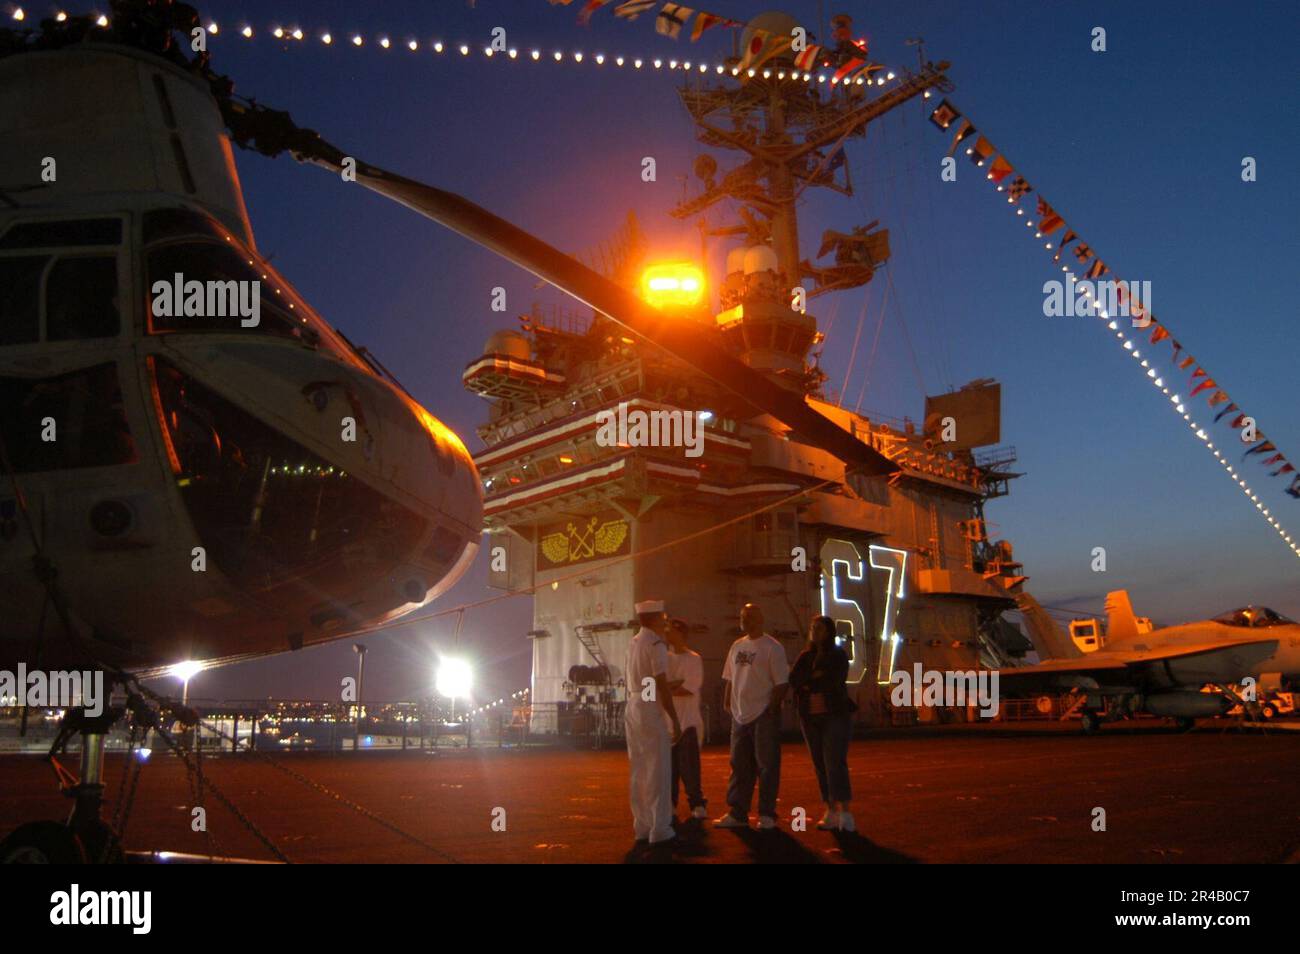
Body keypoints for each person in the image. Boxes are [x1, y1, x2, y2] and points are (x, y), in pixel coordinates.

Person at [715, 603, 789, 830]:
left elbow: (781, 682)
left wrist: (771, 708)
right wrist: (728, 701)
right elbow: (730, 677)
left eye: (750, 617)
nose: (745, 621)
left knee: (766, 764)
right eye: (743, 616)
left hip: (762, 714)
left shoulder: (772, 647)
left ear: (761, 619)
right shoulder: (736, 646)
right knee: (739, 763)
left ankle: (766, 814)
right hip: (739, 715)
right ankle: (738, 813)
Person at [789, 615, 858, 831]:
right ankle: (830, 809)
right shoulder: (805, 655)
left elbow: (833, 680)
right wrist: (813, 678)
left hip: (834, 714)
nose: (814, 631)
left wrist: (808, 681)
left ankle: (845, 812)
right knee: (820, 763)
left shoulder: (837, 655)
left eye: (818, 628)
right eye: (812, 627)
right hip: (810, 715)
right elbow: (793, 679)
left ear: (828, 631)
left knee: (835, 762)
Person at [624, 599, 682, 848]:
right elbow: (658, 682)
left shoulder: (634, 642)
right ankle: (660, 828)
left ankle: (642, 825)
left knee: (639, 768)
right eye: (663, 616)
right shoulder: (656, 644)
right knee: (658, 768)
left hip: (633, 704)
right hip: (648, 706)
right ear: (654, 619)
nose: (666, 620)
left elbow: (645, 683)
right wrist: (674, 719)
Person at [665, 618, 707, 821]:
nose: (667, 634)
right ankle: (671, 804)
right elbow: (662, 687)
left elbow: (687, 689)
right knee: (669, 768)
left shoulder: (693, 659)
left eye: (671, 630)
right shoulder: (665, 658)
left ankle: (697, 804)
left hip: (688, 721)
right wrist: (672, 685)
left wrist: (668, 687)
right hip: (668, 722)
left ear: (681, 633)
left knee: (690, 767)